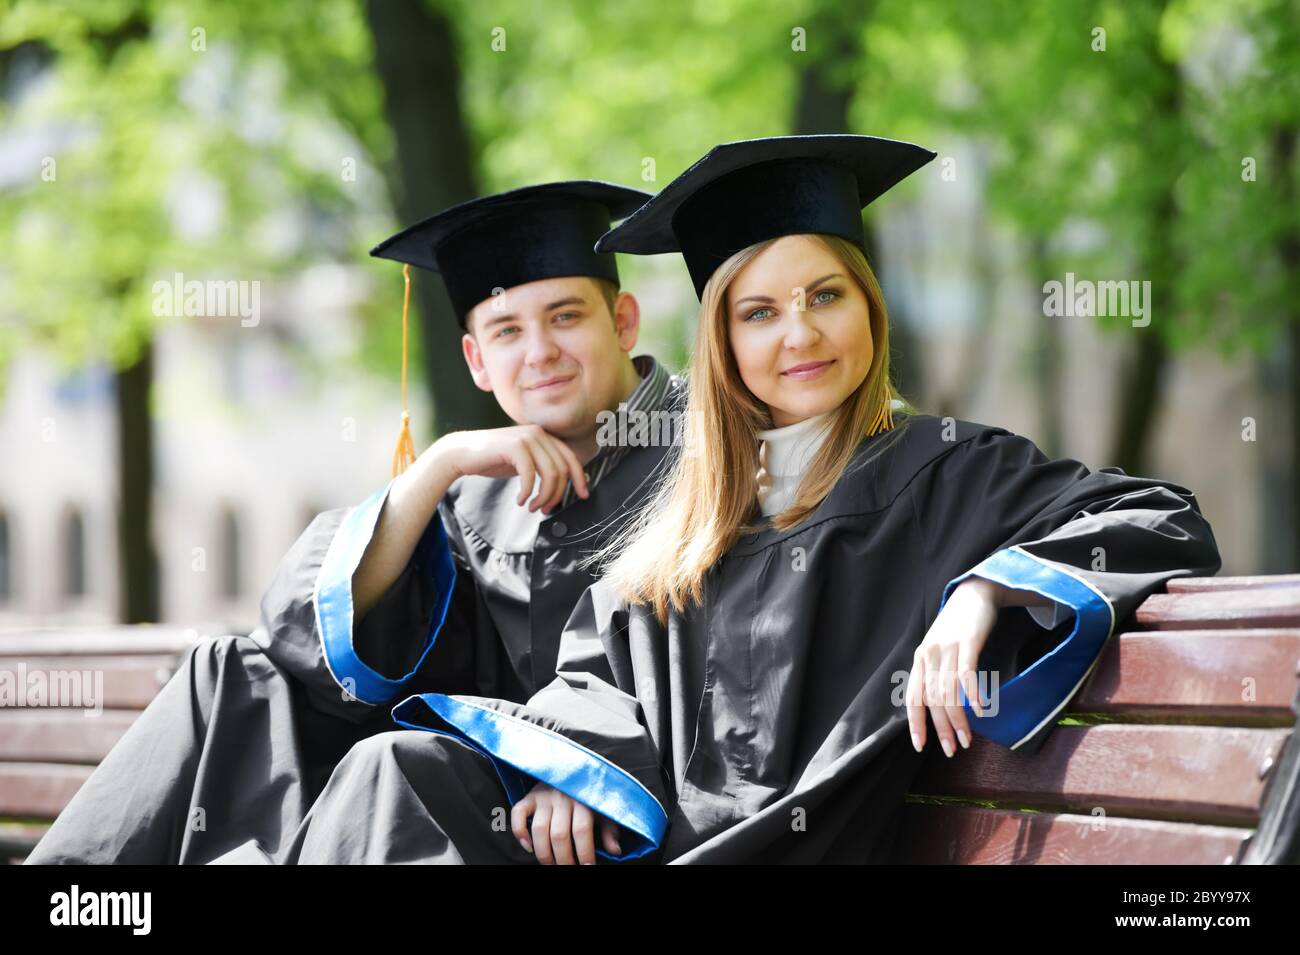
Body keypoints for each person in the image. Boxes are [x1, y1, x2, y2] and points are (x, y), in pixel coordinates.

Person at [246, 135, 1222, 866]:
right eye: (758, 311)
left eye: (826, 295)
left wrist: (983, 593)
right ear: (722, 341)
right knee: (395, 772)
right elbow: (597, 666)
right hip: (641, 842)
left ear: (867, 308)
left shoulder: (942, 468)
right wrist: (567, 759)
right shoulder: (690, 512)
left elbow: (1158, 514)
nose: (799, 333)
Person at [25, 181, 685, 865]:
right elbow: (305, 639)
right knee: (228, 672)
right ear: (477, 362)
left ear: (625, 320)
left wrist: (572, 763)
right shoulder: (479, 495)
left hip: (586, 822)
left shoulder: (702, 456)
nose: (540, 350)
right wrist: (440, 464)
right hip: (453, 802)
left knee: (392, 766)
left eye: (566, 316)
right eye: (507, 331)